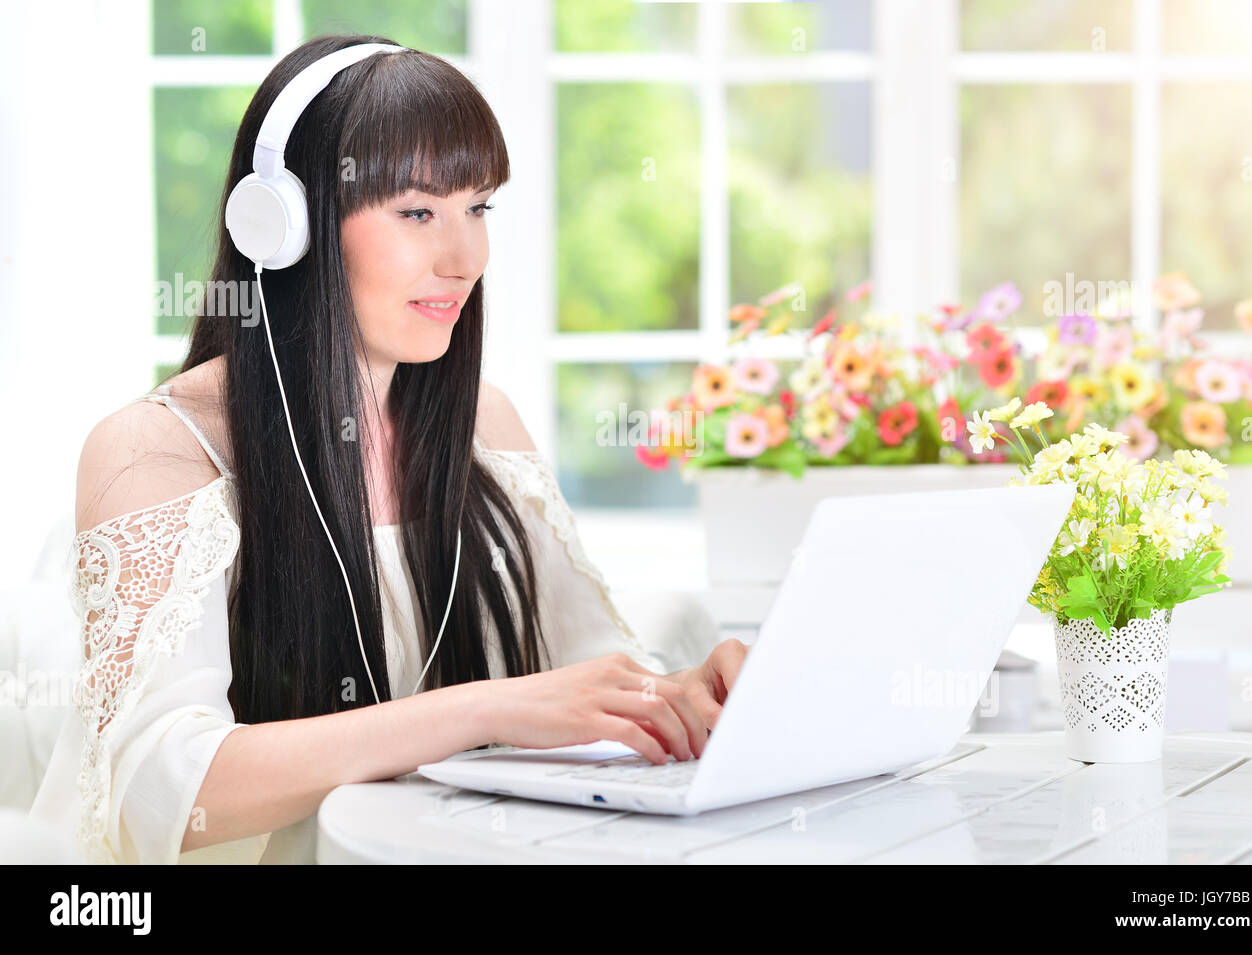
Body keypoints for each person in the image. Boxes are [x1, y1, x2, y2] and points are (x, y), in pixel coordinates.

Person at [29, 34, 748, 865]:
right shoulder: (155, 450)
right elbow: (158, 792)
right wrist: (485, 710)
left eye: (478, 207)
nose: (465, 257)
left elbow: (587, 674)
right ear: (281, 227)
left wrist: (681, 696)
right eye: (418, 212)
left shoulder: (487, 424)